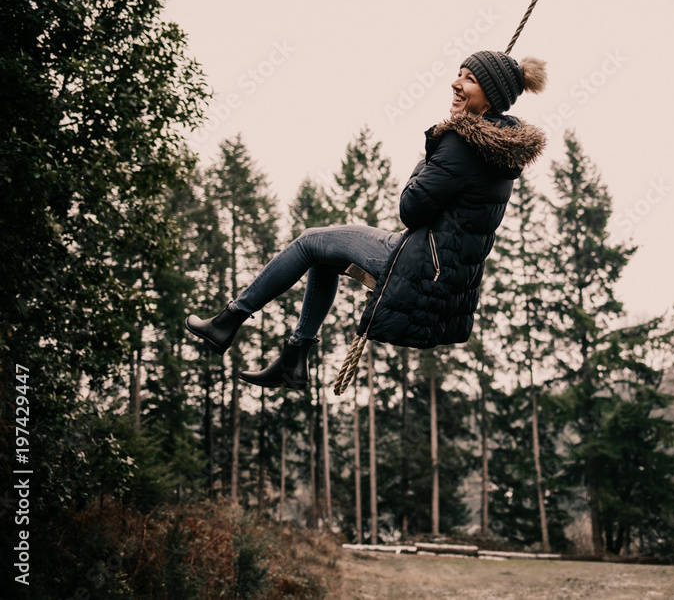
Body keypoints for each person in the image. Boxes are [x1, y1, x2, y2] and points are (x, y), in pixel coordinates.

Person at [185, 50, 547, 389]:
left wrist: (434, 151)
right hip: (446, 273)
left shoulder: (463, 143)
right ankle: (293, 360)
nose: (455, 84)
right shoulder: (502, 149)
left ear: (491, 96)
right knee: (324, 252)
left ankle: (228, 321)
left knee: (311, 240)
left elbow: (411, 209)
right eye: (459, 74)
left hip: (421, 265)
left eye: (469, 79)